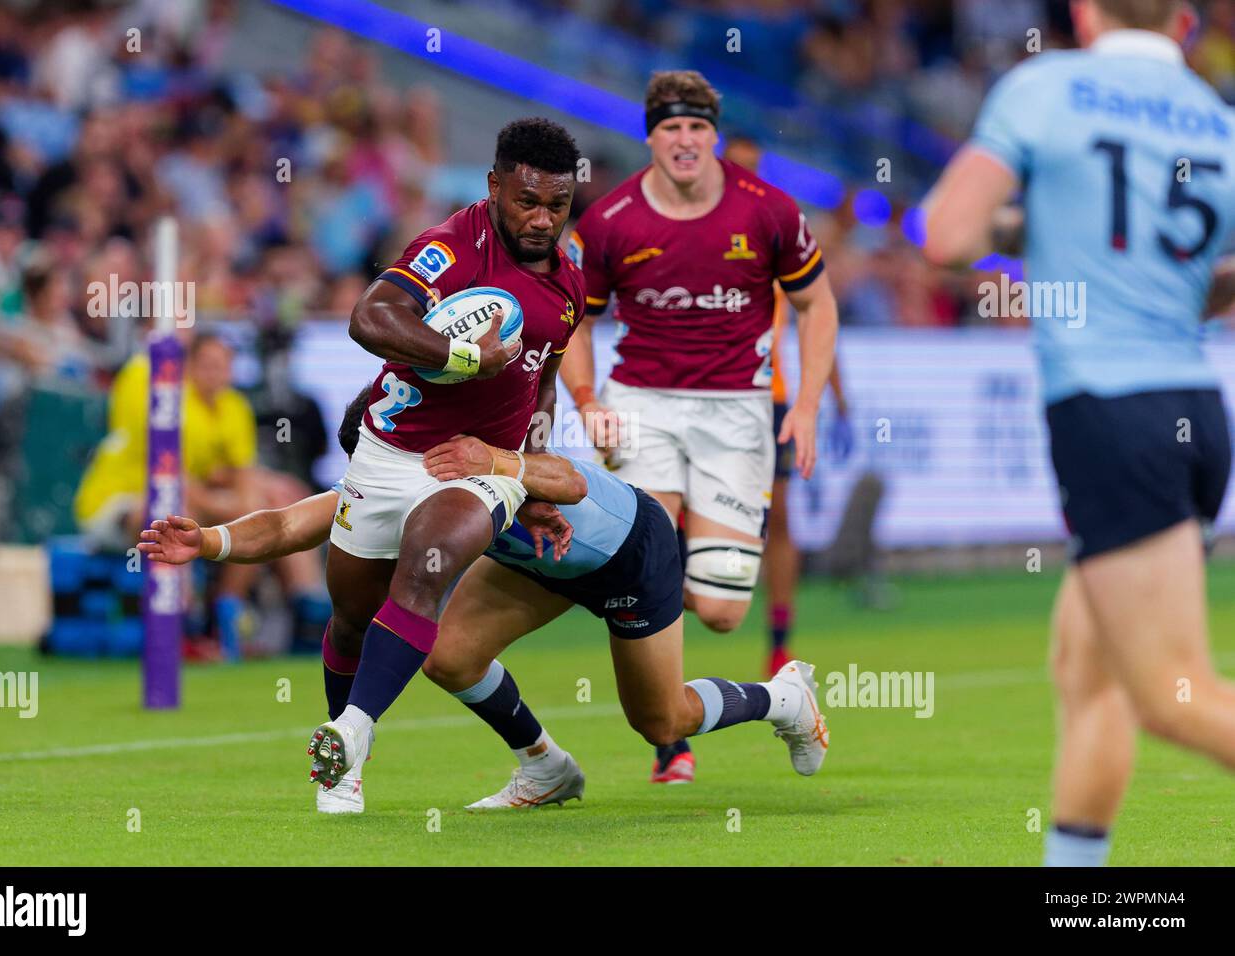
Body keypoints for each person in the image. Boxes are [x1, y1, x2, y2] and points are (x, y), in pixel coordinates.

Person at [138, 387, 829, 813]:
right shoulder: (387, 481)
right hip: (542, 569)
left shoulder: (458, 455)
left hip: (629, 553)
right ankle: (545, 766)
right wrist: (208, 541)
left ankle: (784, 699)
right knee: (448, 653)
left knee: (660, 721)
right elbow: (291, 522)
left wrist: (503, 467)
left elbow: (571, 480)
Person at [922, 0, 1235, 867]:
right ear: (1182, 23)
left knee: (1175, 697)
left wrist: (1035, 231)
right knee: (1084, 669)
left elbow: (947, 234)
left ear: (1085, 15)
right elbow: (1214, 280)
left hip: (1110, 414)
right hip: (1194, 412)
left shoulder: (1046, 85)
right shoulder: (1217, 118)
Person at [560, 71, 840, 782]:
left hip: (737, 410)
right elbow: (574, 324)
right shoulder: (610, 220)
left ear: (713, 136)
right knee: (655, 543)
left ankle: (778, 694)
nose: (684, 140)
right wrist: (589, 400)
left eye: (697, 128)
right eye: (670, 128)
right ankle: (668, 741)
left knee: (718, 609)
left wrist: (805, 405)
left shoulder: (769, 211)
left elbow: (818, 304)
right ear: (651, 136)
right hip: (641, 403)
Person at [306, 118, 587, 798]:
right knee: (349, 612)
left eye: (558, 204)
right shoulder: (450, 248)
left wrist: (532, 476)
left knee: (426, 568)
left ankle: (350, 738)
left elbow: (541, 384)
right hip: (391, 453)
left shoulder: (571, 286)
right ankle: (345, 761)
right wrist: (469, 356)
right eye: (527, 201)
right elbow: (370, 319)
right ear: (494, 186)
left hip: (479, 465)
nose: (543, 219)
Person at [73, 330, 323, 653]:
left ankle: (249, 618)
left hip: (179, 501)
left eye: (222, 365)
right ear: (189, 366)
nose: (214, 373)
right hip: (115, 502)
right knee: (180, 515)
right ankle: (187, 626)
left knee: (265, 508)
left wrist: (246, 512)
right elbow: (178, 482)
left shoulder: (234, 408)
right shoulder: (170, 404)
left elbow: (241, 477)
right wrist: (237, 512)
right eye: (206, 365)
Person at [721, 133, 852, 676]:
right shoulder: (696, 234)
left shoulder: (776, 237)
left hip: (766, 399)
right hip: (703, 399)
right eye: (740, 168)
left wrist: (831, 395)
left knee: (778, 522)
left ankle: (778, 640)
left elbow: (815, 310)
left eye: (756, 169)